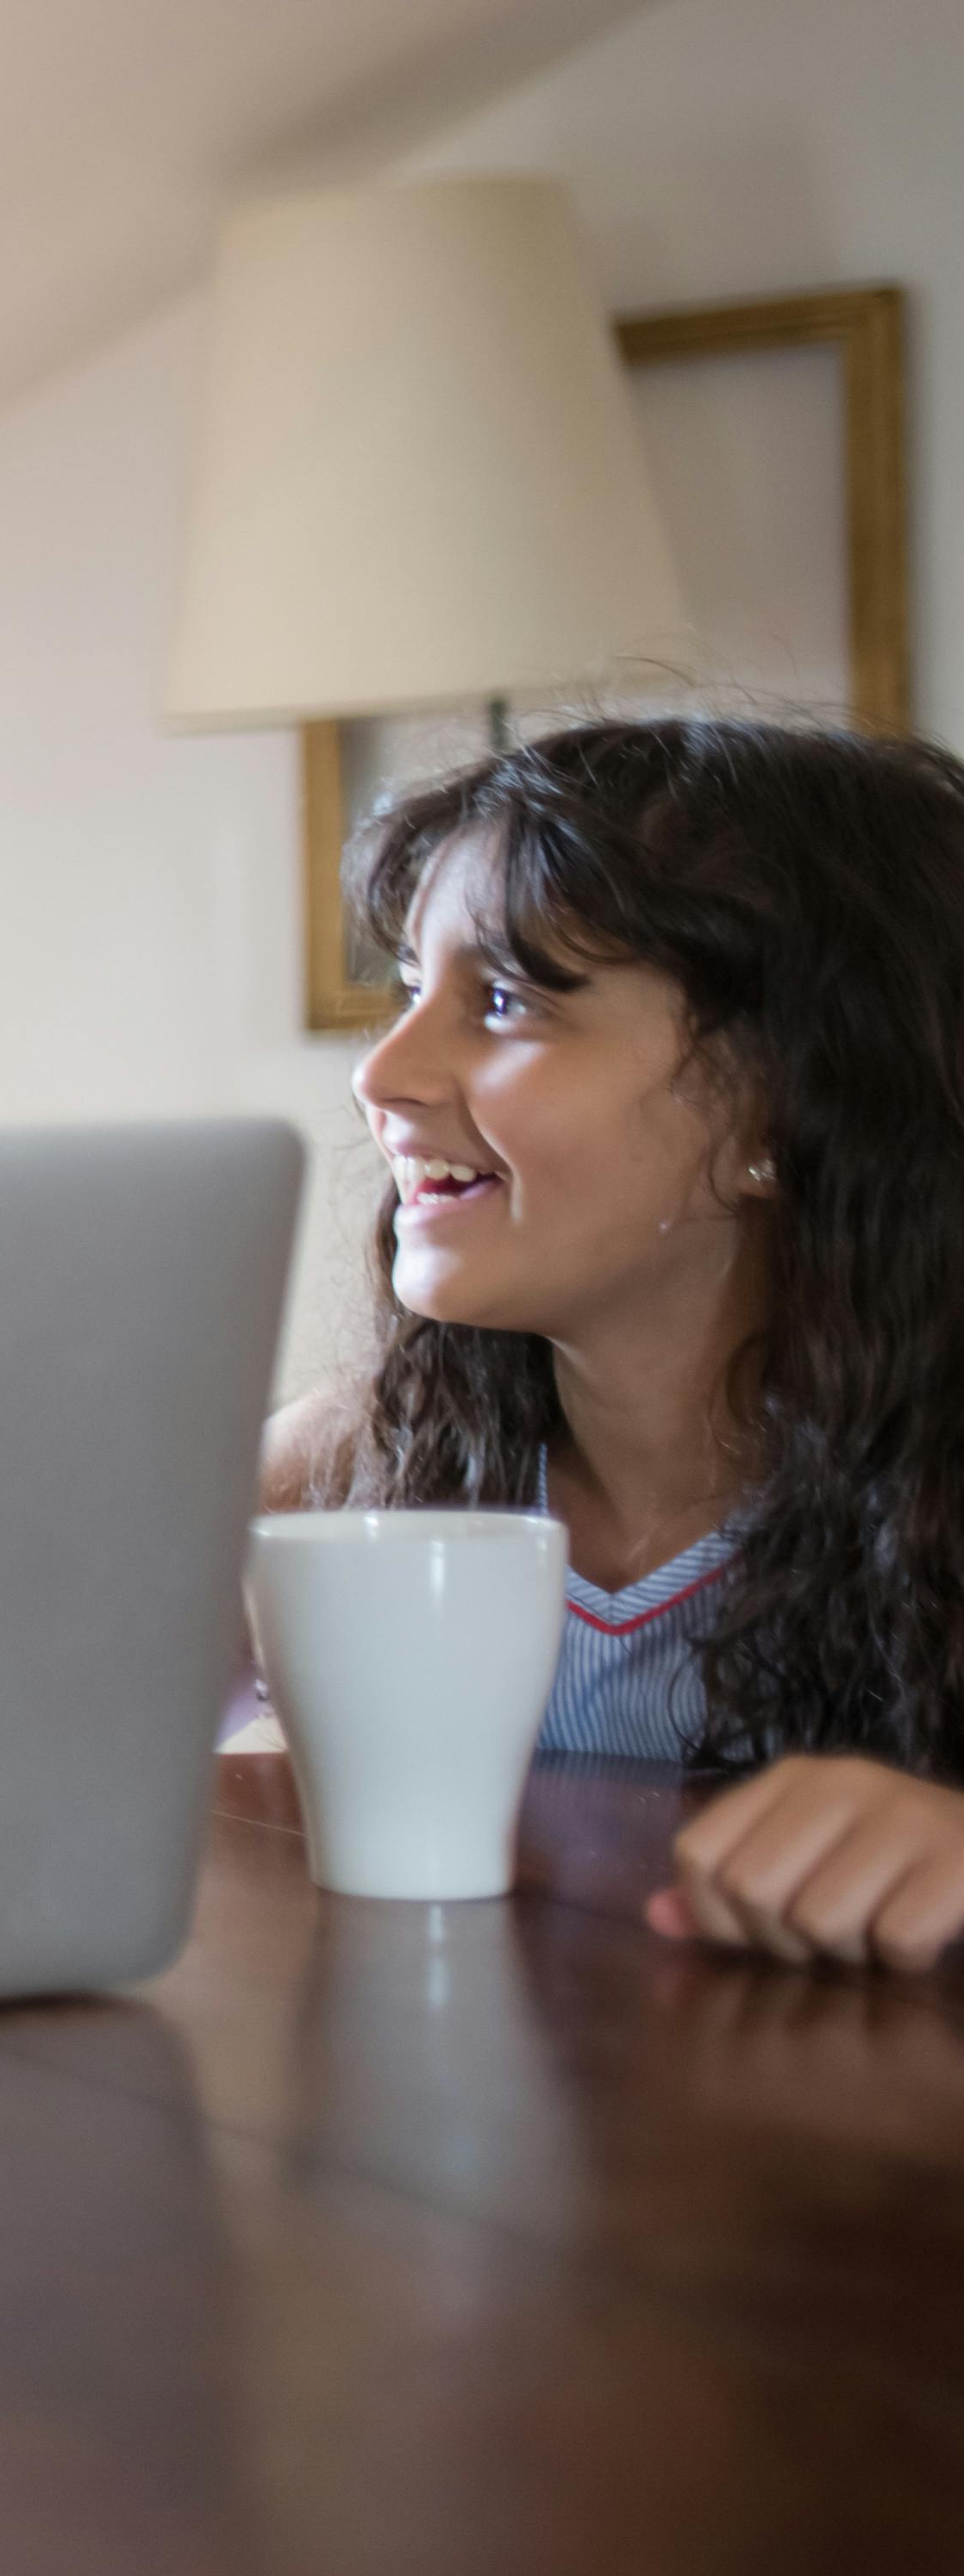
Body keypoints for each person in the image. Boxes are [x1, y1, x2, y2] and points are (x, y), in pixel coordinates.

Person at [268, 711, 964, 1977]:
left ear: (778, 1109)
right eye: (409, 991)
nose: (381, 1075)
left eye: (502, 1002)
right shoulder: (362, 1461)